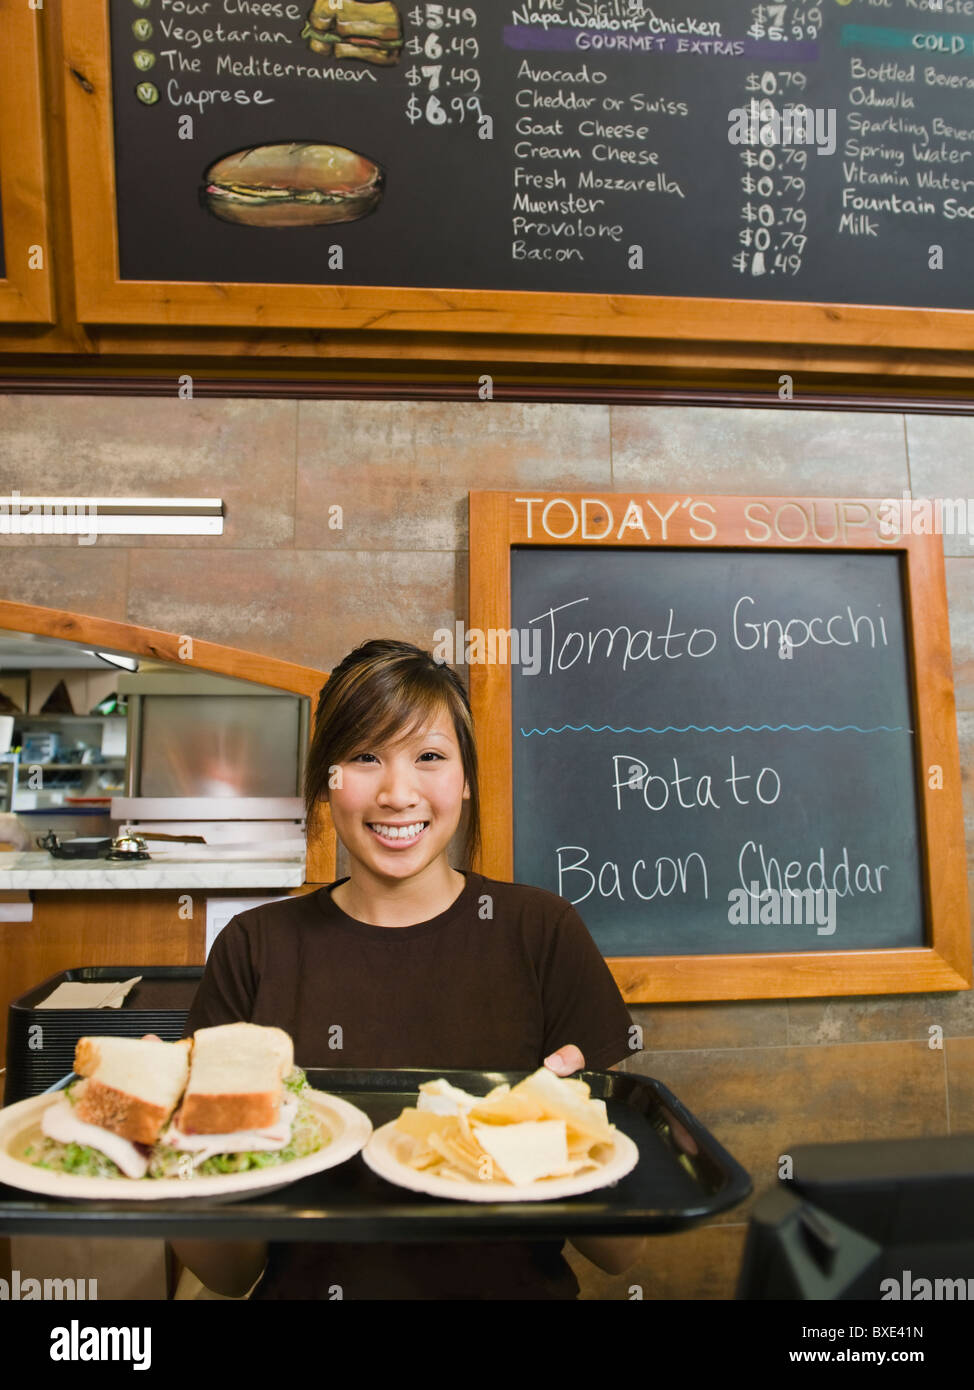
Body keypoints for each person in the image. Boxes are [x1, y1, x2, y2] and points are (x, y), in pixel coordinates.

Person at [172, 639, 644, 1299]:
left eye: (429, 757)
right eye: (364, 757)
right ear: (325, 779)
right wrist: (165, 1154)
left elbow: (620, 1251)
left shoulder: (542, 933)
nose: (398, 793)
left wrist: (562, 1127)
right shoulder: (256, 946)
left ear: (465, 778)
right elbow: (230, 1273)